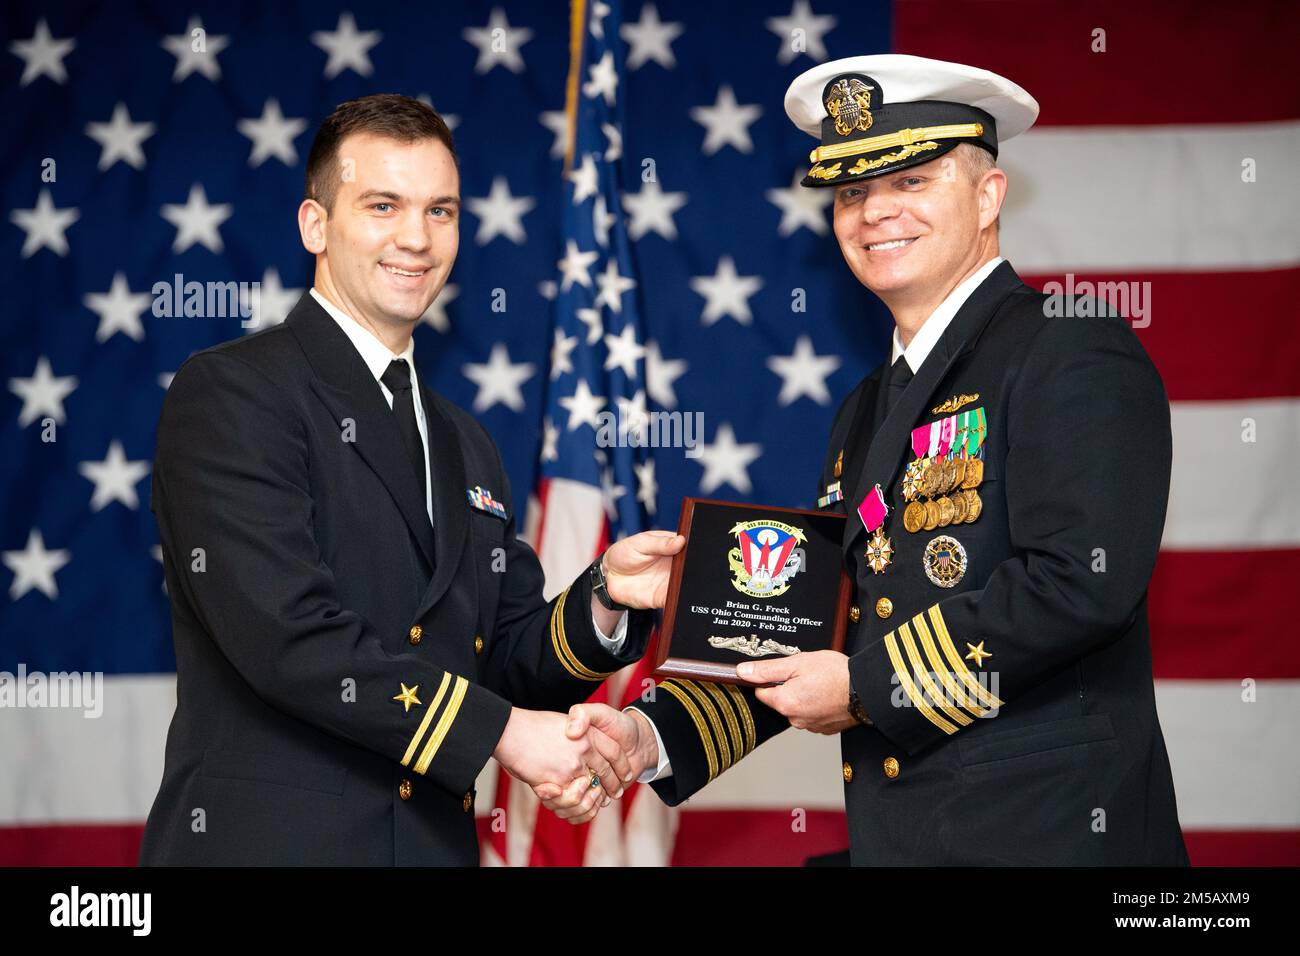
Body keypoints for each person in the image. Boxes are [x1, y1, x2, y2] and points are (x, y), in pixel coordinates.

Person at [542, 55, 1189, 865]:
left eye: (912, 181)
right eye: (851, 193)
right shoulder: (866, 406)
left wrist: (865, 689)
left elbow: (1080, 585)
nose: (876, 211)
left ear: (988, 197)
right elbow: (828, 621)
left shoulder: (1070, 346)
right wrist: (653, 734)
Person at [139, 94, 682, 865]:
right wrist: (501, 733)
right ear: (315, 225)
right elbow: (290, 639)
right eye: (383, 205)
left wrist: (605, 597)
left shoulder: (463, 440)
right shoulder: (234, 393)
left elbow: (502, 655)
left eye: (440, 211)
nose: (417, 238)